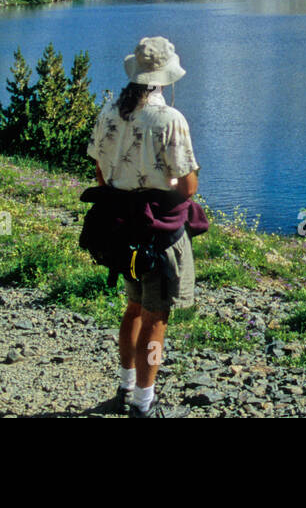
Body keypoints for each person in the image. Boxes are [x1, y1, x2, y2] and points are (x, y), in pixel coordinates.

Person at [88, 36, 200, 418]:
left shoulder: (109, 111)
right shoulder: (170, 119)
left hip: (120, 230)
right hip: (158, 236)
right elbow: (187, 186)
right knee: (157, 318)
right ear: (164, 80)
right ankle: (144, 403)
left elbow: (101, 172)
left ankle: (124, 387)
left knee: (134, 306)